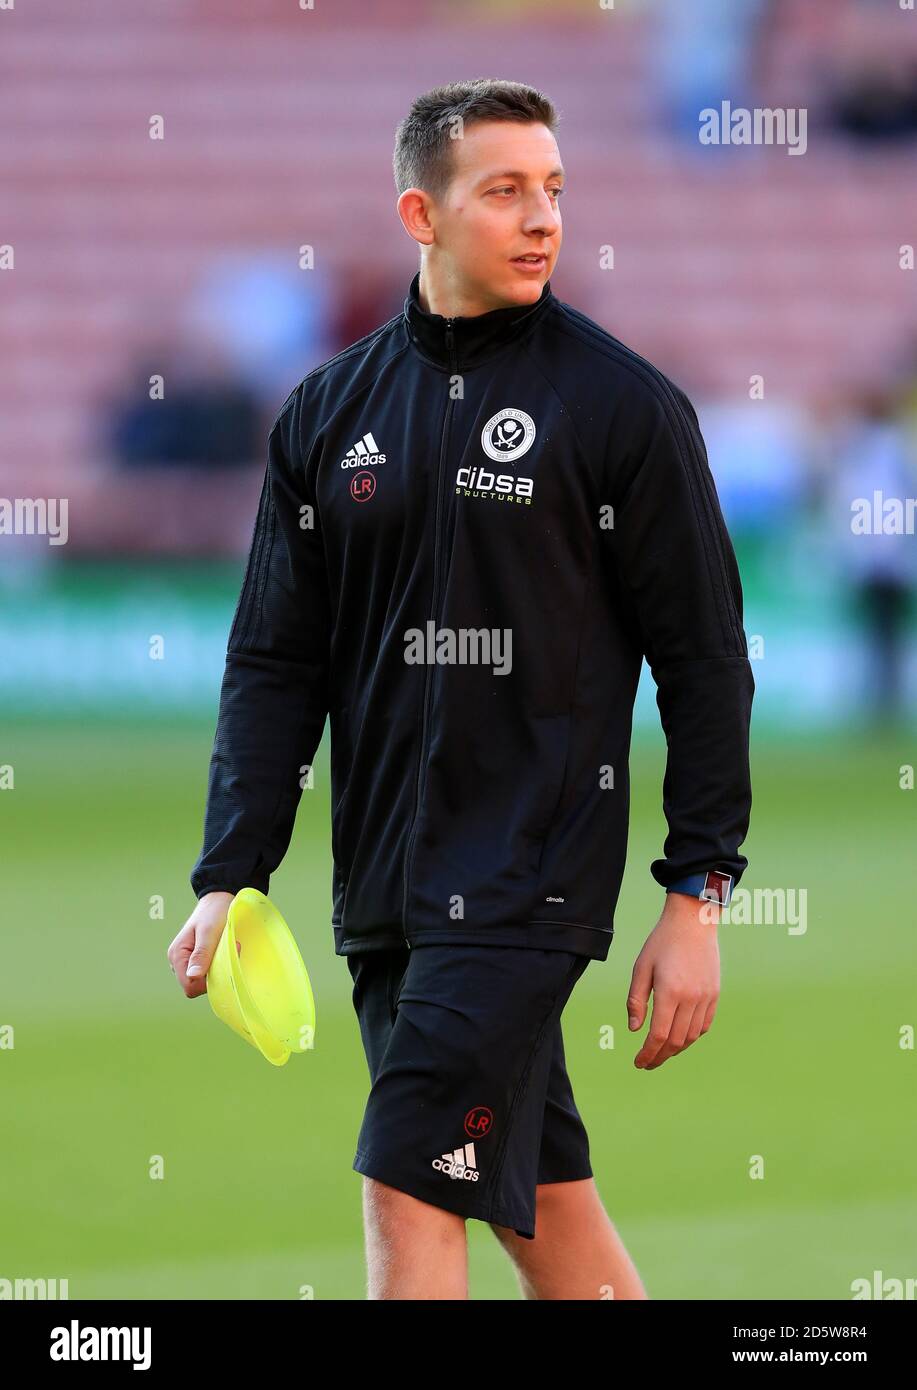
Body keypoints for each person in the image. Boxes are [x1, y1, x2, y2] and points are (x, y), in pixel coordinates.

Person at [167, 79, 754, 1301]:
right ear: (420, 215)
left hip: (528, 881)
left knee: (407, 1182)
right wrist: (231, 869)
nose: (542, 218)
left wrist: (696, 893)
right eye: (504, 191)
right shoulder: (327, 413)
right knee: (547, 1210)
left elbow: (703, 660)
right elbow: (274, 662)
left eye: (553, 190)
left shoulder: (622, 407)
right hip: (384, 883)